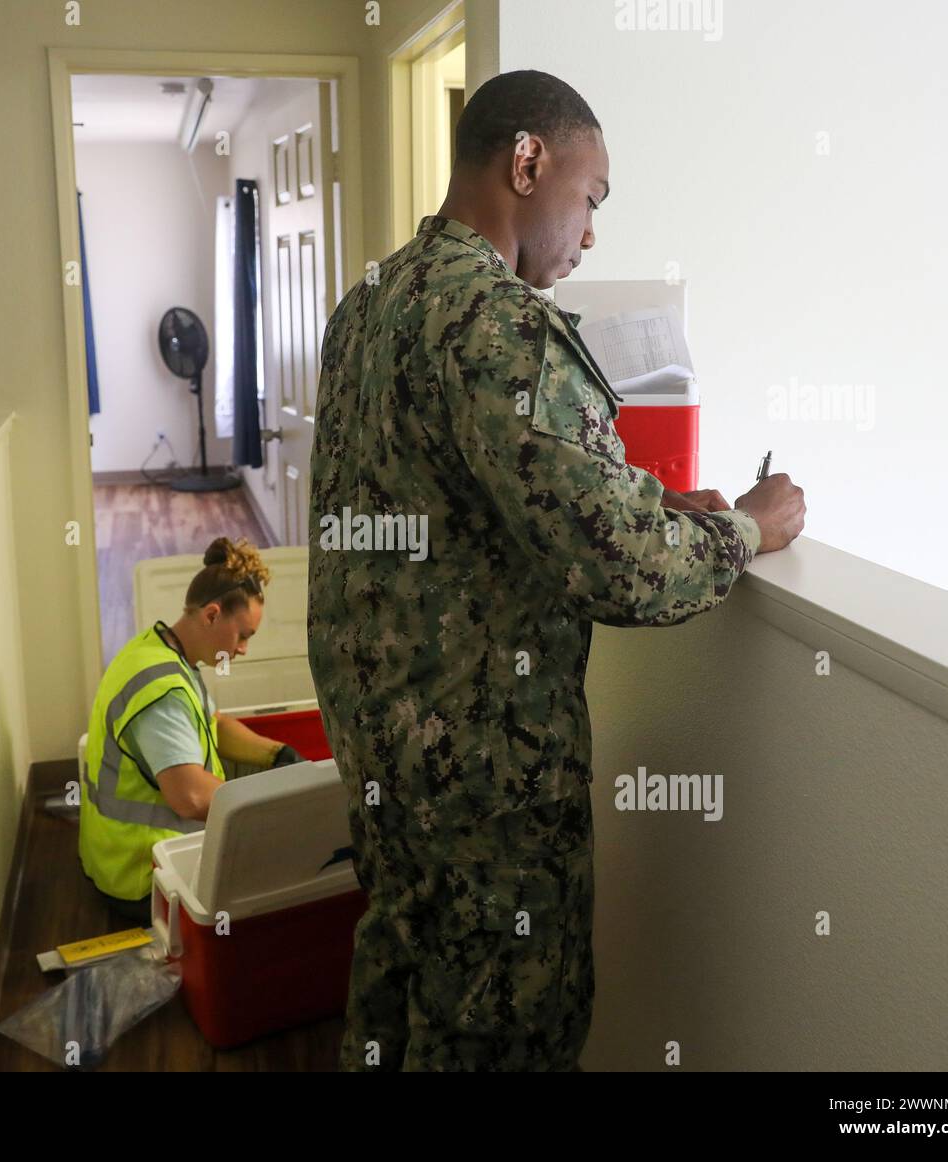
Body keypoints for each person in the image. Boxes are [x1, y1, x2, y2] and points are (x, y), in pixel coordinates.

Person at [307, 70, 805, 1071]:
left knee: (398, 983)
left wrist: (645, 497)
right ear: (526, 161)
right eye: (592, 195)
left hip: (379, 749)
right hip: (482, 777)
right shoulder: (502, 324)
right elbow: (618, 571)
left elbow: (461, 491)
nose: (590, 231)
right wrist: (747, 529)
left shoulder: (369, 303)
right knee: (503, 1031)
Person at [79, 536, 304, 923]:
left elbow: (212, 725)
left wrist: (278, 756)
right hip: (144, 880)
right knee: (292, 887)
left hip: (123, 860)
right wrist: (277, 806)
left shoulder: (158, 651)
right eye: (244, 634)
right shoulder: (161, 692)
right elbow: (192, 799)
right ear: (213, 615)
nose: (244, 649)